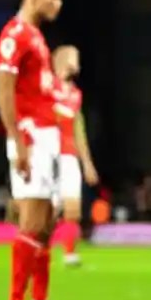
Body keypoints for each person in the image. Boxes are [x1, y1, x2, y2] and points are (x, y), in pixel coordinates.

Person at [0, 0, 77, 300]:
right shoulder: (14, 36)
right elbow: (4, 93)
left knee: (46, 223)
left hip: (47, 137)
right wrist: (17, 141)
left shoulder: (36, 38)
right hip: (29, 136)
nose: (57, 4)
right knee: (30, 220)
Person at [52, 45, 99, 268]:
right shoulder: (48, 87)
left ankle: (70, 253)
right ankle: (37, 250)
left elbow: (78, 129)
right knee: (47, 209)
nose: (77, 61)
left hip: (69, 156)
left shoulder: (76, 95)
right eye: (74, 57)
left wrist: (87, 163)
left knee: (73, 209)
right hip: (49, 154)